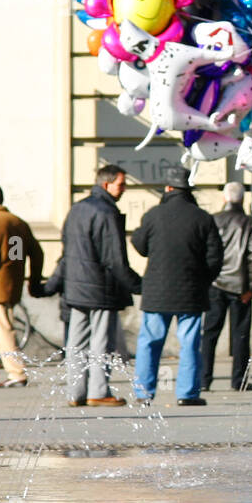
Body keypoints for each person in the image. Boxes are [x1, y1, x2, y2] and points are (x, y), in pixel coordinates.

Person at [50, 163, 141, 406]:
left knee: (76, 342)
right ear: (106, 184)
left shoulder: (77, 209)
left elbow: (67, 252)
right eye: (120, 185)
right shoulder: (107, 212)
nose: (123, 190)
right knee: (102, 340)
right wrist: (137, 285)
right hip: (101, 289)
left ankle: (75, 392)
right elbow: (115, 259)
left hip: (76, 288)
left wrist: (53, 283)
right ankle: (98, 392)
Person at [132, 165, 223, 406]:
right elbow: (215, 258)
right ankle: (187, 393)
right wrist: (202, 280)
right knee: (190, 344)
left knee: (149, 342)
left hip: (156, 292)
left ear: (168, 188)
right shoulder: (203, 218)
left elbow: (140, 247)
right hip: (191, 292)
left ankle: (143, 393)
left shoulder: (153, 215)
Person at [0, 184, 44, 387]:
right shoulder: (17, 222)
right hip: (14, 281)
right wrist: (34, 279)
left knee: (3, 326)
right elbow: (32, 253)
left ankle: (17, 372)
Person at [201, 181, 252, 391]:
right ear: (242, 199)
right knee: (241, 334)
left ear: (224, 198)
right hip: (240, 287)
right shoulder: (247, 223)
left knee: (210, 333)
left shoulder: (212, 220)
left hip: (215, 283)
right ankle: (239, 380)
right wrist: (251, 287)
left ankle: (204, 379)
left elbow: (206, 252)